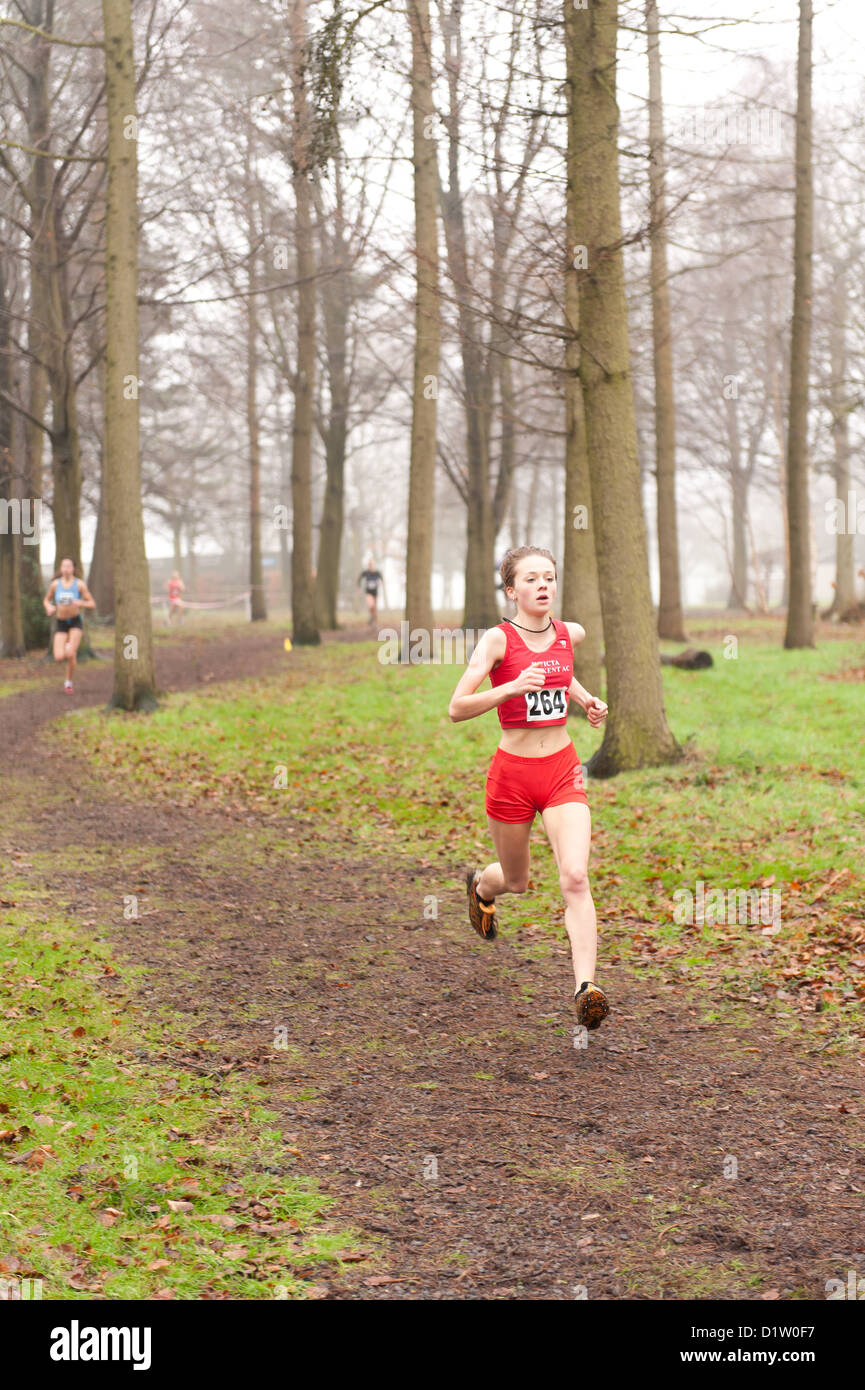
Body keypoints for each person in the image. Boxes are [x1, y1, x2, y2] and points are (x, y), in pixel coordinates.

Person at [447, 545, 611, 1031]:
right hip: (512, 777)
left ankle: (586, 989)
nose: (544, 585)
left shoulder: (569, 633)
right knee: (516, 881)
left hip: (562, 768)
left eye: (550, 577)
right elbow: (457, 707)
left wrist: (585, 700)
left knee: (575, 876)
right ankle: (481, 886)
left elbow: (561, 671)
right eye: (533, 579)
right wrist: (511, 687)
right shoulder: (497, 641)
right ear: (511, 589)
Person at [44, 558, 96, 694]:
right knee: (59, 657)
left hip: (75, 622)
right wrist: (49, 607)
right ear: (61, 568)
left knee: (71, 654)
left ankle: (68, 682)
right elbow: (46, 599)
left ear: (73, 568)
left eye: (69, 566)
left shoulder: (79, 585)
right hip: (61, 623)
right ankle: (68, 647)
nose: (66, 568)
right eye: (64, 566)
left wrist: (81, 603)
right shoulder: (55, 584)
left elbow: (92, 603)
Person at [358, 560, 384, 626]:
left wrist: (382, 584)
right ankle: (372, 618)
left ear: (374, 565)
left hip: (375, 592)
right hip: (368, 592)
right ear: (369, 566)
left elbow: (381, 579)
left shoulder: (377, 573)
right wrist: (358, 588)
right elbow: (359, 578)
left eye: (372, 565)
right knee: (371, 605)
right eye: (370, 565)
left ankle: (373, 620)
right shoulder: (366, 572)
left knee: (374, 607)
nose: (371, 566)